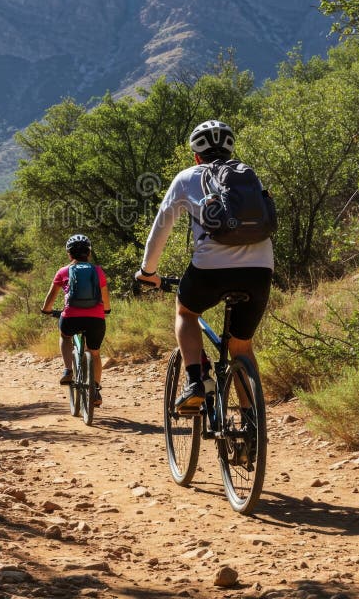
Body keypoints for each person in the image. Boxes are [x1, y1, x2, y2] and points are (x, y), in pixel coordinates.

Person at [135, 120, 273, 414]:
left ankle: (196, 382)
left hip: (210, 268)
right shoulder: (248, 176)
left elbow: (161, 229)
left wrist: (148, 272)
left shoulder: (186, 178)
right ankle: (251, 425)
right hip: (260, 269)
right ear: (230, 149)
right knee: (242, 346)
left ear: (196, 156)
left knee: (186, 311)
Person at [41, 234, 111, 407]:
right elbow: (105, 297)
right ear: (88, 253)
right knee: (94, 353)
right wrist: (106, 310)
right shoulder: (98, 271)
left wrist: (46, 310)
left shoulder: (63, 271)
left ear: (69, 254)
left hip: (71, 317)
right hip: (95, 319)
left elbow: (51, 297)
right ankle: (94, 389)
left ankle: (68, 370)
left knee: (65, 336)